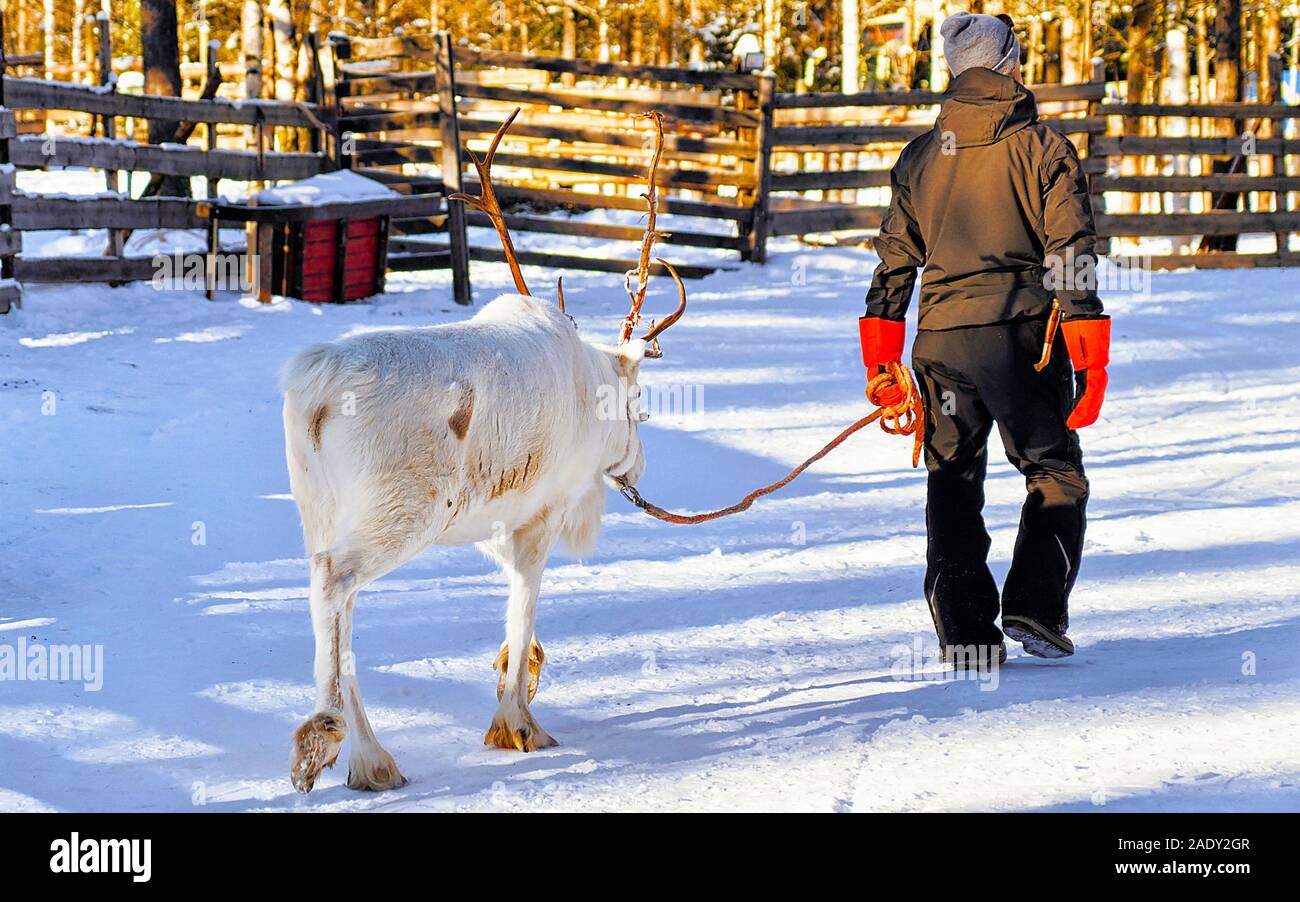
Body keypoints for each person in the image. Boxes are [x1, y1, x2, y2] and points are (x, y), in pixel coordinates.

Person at [858, 12, 1111, 666]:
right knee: (1054, 472)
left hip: (941, 344)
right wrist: (1089, 351)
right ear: (1009, 66)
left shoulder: (919, 157)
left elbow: (893, 262)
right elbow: (1071, 253)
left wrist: (883, 360)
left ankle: (967, 631)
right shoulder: (1045, 148)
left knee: (951, 477)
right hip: (1021, 338)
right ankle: (1033, 605)